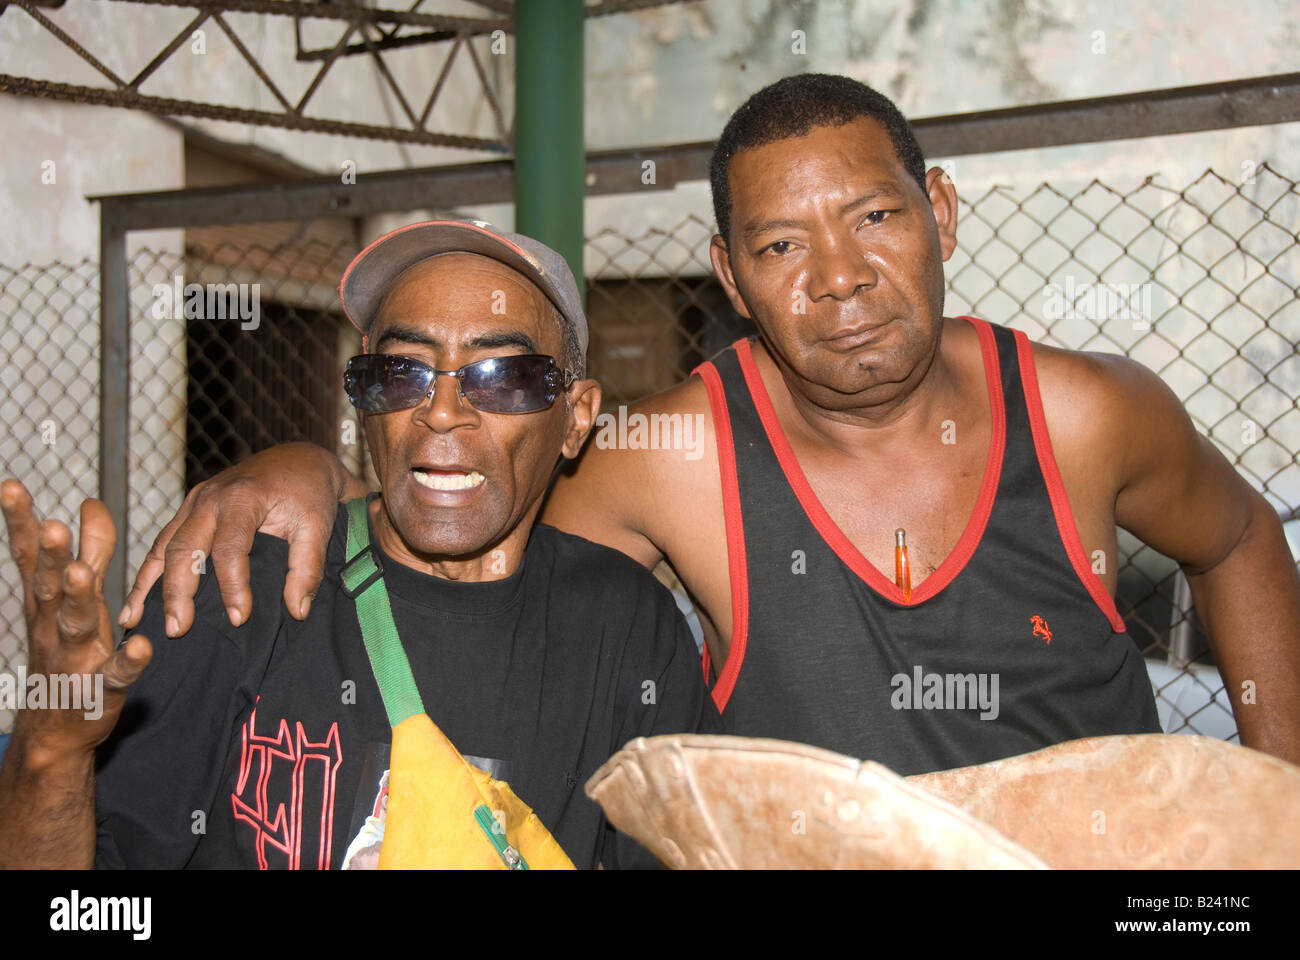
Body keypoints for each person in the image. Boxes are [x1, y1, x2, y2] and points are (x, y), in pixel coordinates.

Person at [119, 74, 1300, 776]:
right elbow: (465, 518)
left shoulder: (1084, 414)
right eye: (783, 245)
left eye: (875, 215)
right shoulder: (669, 460)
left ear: (937, 212)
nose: (838, 277)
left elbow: (1241, 540)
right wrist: (301, 473)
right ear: (732, 279)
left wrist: (1275, 803)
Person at [0, 219, 720, 869]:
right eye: (401, 373)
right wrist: (49, 754)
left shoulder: (627, 629)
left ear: (575, 418)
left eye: (503, 377)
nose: (441, 413)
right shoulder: (239, 584)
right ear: (362, 405)